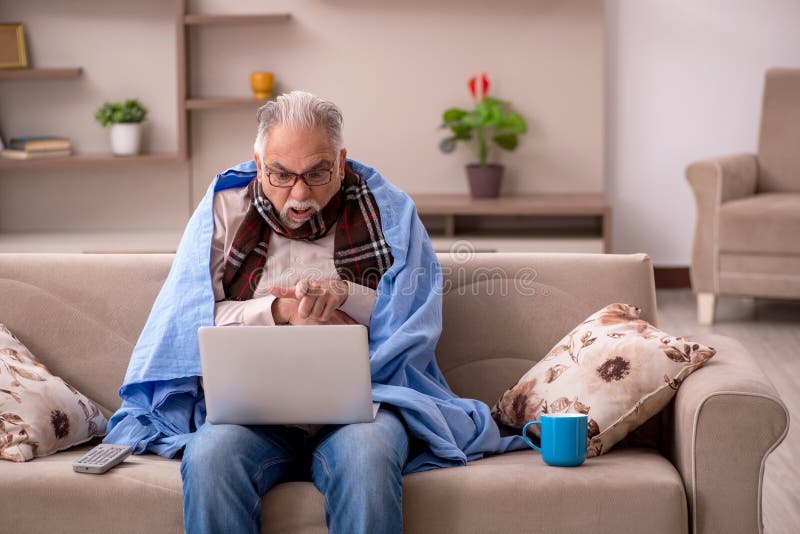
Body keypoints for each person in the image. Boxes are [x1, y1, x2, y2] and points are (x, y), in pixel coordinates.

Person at [104, 91, 527, 534]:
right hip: (251, 413)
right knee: (209, 457)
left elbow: (412, 319)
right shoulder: (223, 211)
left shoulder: (390, 213)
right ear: (258, 163)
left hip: (368, 404)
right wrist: (279, 311)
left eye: (318, 173)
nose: (300, 193)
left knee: (368, 456)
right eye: (281, 175)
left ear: (341, 162)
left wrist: (347, 295)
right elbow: (188, 323)